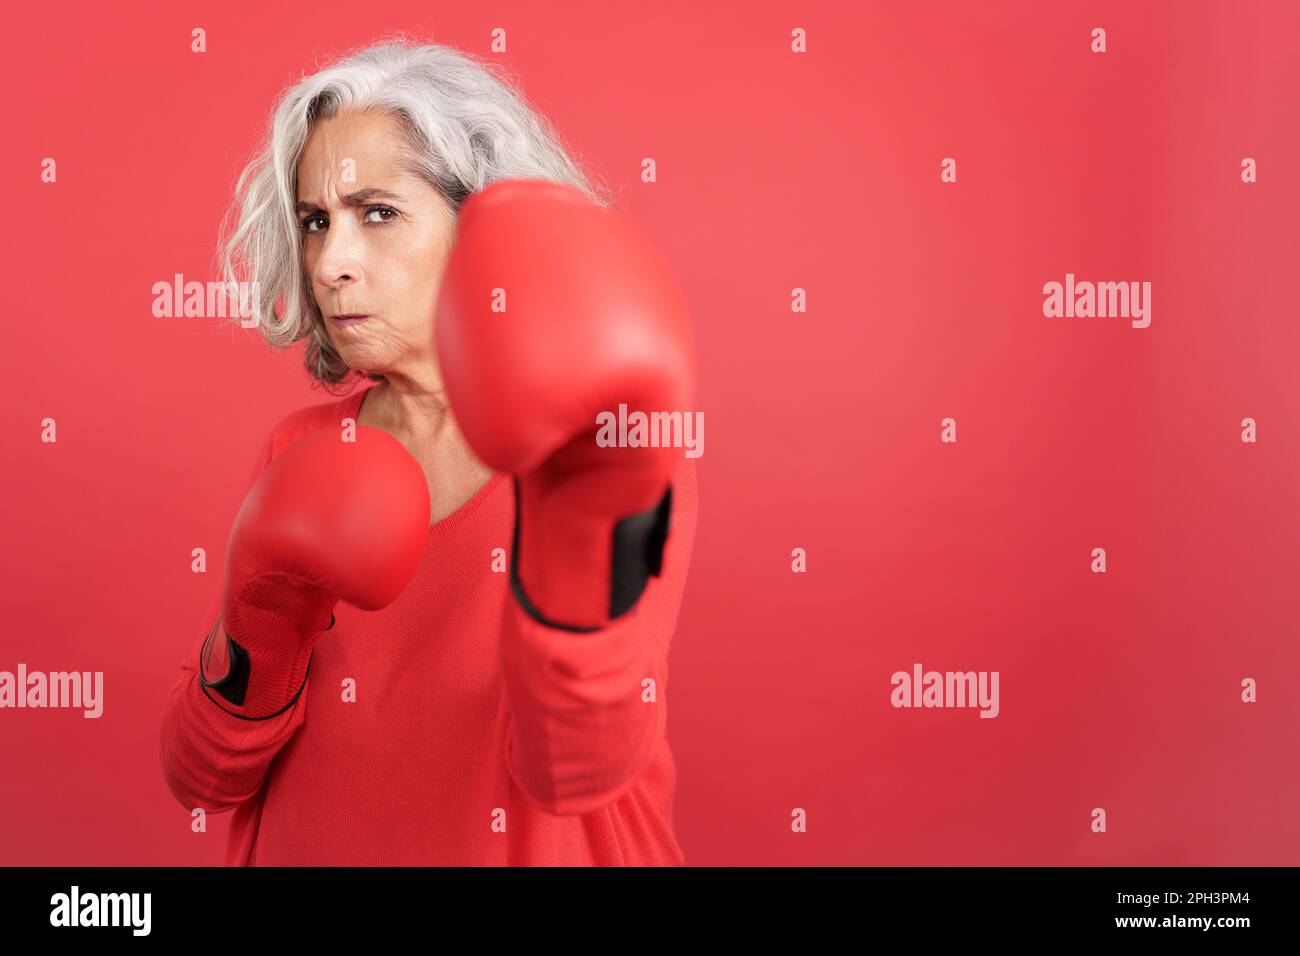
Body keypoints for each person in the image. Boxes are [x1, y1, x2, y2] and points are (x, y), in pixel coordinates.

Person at [158, 38, 698, 866]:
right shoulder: (299, 450)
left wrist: (575, 569)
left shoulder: (598, 447)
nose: (332, 262)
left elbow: (571, 770)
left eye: (378, 213)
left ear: (482, 220)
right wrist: (261, 632)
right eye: (315, 222)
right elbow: (201, 778)